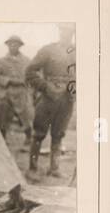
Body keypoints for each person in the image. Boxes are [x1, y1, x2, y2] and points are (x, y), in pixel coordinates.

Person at [26, 25, 76, 175]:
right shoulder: (48, 50)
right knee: (39, 132)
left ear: (72, 33)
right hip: (48, 98)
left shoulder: (78, 51)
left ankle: (54, 168)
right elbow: (30, 71)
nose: (65, 34)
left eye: (69, 31)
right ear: (59, 31)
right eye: (63, 30)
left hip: (67, 99)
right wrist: (44, 86)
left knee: (59, 133)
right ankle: (32, 168)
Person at [0, 36, 34, 142]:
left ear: (20, 46)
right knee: (1, 111)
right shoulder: (1, 61)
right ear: (7, 46)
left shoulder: (26, 61)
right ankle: (2, 138)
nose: (13, 46)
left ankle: (29, 137)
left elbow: (31, 75)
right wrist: (8, 81)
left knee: (26, 114)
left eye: (15, 44)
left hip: (21, 92)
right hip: (6, 91)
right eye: (10, 44)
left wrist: (24, 82)